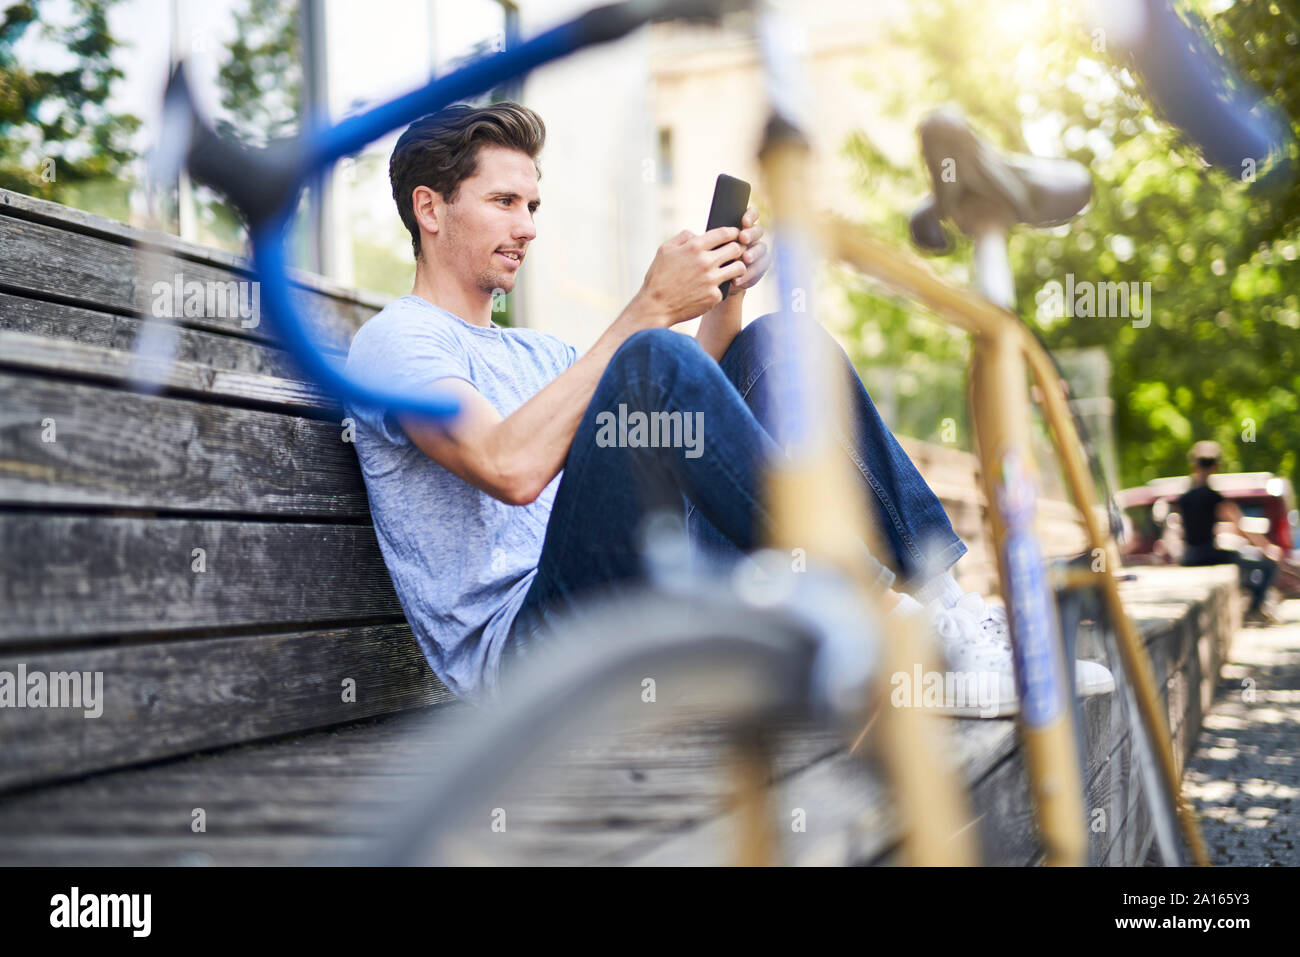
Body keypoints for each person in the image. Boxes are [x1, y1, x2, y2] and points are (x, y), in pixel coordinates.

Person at [343, 101, 1113, 711]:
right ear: (430, 209)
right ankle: (891, 623)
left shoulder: (538, 353)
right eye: (505, 201)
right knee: (648, 356)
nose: (528, 227)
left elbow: (686, 408)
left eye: (534, 204)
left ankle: (947, 611)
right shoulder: (397, 343)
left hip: (634, 597)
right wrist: (646, 310)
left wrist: (724, 298)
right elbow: (507, 466)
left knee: (779, 344)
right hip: (532, 655)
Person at [1176, 440, 1281, 625]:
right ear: (1215, 466)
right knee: (1267, 564)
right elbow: (1240, 525)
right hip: (1208, 553)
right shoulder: (1213, 497)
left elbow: (1182, 530)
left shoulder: (1185, 498)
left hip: (1190, 555)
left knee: (1246, 565)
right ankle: (1255, 608)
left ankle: (1252, 605)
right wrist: (1266, 547)